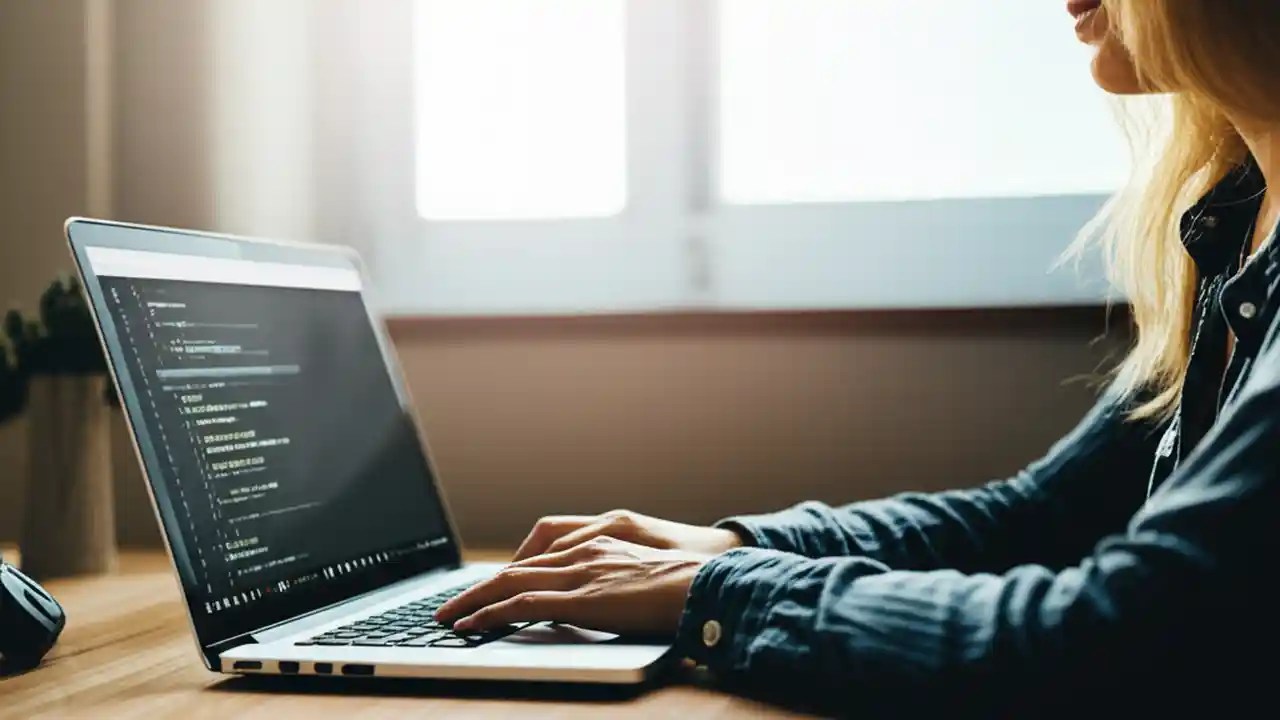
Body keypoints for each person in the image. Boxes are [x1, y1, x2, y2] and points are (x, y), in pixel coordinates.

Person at [437, 0, 1280, 712]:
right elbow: (1038, 518)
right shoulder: (1235, 222)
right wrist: (728, 547)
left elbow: (1117, 636)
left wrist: (718, 593)